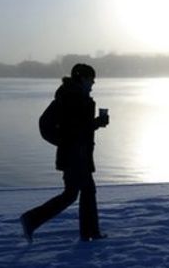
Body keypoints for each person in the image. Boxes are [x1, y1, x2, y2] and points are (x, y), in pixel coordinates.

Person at [20, 63, 109, 242]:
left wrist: (93, 124)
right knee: (74, 194)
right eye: (92, 79)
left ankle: (89, 233)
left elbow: (75, 127)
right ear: (83, 78)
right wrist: (96, 123)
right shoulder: (73, 98)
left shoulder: (73, 96)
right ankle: (31, 219)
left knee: (82, 192)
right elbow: (75, 129)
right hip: (75, 155)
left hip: (78, 153)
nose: (93, 83)